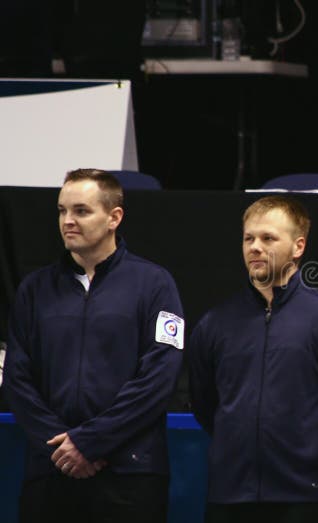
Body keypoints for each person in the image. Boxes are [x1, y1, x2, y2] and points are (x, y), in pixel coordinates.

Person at [4, 169, 184, 522]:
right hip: (51, 469)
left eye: (81, 211)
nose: (67, 221)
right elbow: (17, 377)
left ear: (114, 217)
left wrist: (90, 442)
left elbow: (159, 377)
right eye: (62, 210)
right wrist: (60, 445)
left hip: (130, 474)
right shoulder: (34, 290)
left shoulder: (154, 284)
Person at [187, 195, 318, 523]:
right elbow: (204, 403)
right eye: (249, 238)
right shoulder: (214, 324)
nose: (255, 247)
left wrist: (317, 456)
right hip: (231, 494)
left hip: (307, 496)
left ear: (298, 246)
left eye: (268, 238)